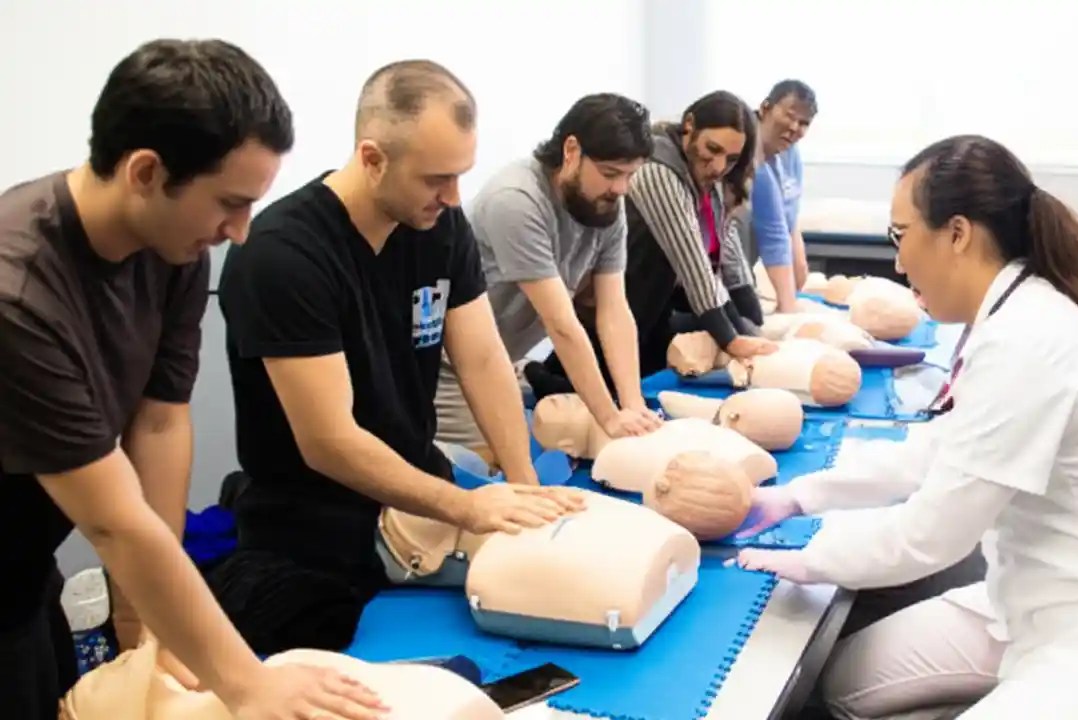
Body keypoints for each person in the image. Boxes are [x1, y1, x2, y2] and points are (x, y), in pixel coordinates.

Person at [735, 134, 1078, 718]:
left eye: (901, 238)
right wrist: (798, 496)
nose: (898, 263)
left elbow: (933, 535)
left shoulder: (1031, 337)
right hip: (1038, 593)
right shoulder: (1016, 312)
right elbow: (936, 451)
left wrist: (815, 556)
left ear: (956, 233)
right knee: (845, 682)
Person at [0, 39, 387, 720]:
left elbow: (158, 419)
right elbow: (116, 521)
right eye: (230, 204)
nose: (240, 232)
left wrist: (151, 627)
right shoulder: (19, 295)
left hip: (25, 565)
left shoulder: (170, 243)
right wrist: (248, 684)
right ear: (145, 172)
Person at [210, 59, 581, 656]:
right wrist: (466, 504)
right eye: (437, 178)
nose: (454, 196)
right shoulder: (283, 257)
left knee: (563, 559)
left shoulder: (440, 224)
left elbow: (483, 359)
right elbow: (330, 442)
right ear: (373, 157)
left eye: (461, 174)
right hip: (317, 527)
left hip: (417, 492)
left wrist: (522, 483)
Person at [435, 93, 662, 460]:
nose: (621, 188)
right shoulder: (517, 200)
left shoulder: (605, 205)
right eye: (610, 173)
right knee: (485, 469)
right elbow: (560, 324)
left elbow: (614, 310)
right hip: (447, 369)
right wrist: (608, 417)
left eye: (630, 175)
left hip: (498, 360)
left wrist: (632, 404)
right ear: (572, 150)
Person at [605, 90, 777, 381]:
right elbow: (693, 263)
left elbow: (729, 254)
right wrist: (732, 339)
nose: (720, 166)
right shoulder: (658, 171)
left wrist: (754, 323)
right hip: (621, 303)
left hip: (657, 311)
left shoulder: (713, 180)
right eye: (712, 149)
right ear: (689, 125)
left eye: (732, 159)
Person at [748, 79, 817, 313]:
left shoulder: (789, 153)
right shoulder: (749, 154)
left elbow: (788, 210)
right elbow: (772, 231)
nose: (795, 127)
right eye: (790, 116)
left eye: (804, 123)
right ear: (766, 108)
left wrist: (800, 267)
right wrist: (788, 309)